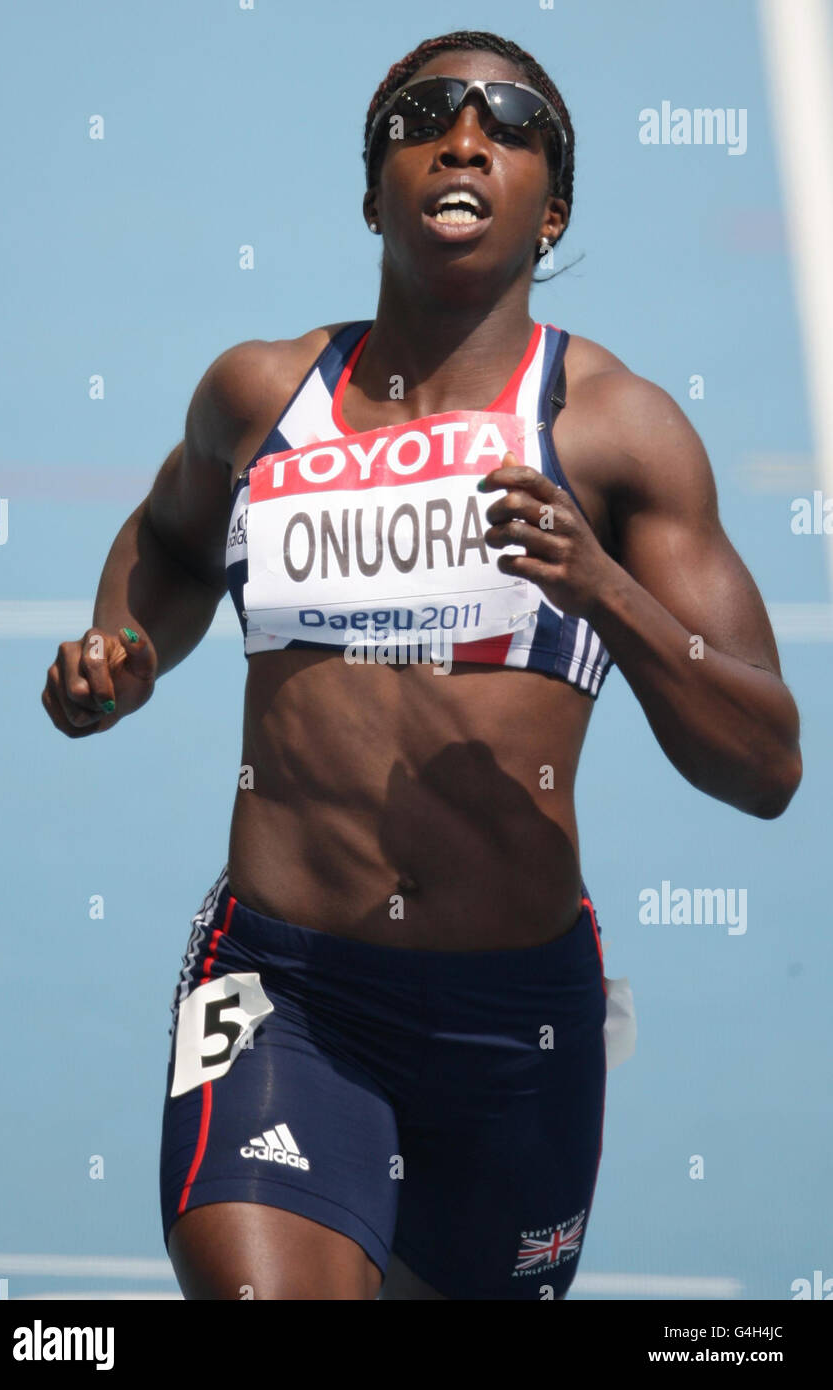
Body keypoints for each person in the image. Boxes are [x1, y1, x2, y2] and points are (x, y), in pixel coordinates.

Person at [41, 30, 802, 1301]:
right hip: (282, 989)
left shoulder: (614, 432)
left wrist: (601, 587)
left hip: (516, 1024)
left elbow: (766, 762)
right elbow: (169, 548)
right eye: (422, 115)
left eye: (509, 122)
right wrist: (122, 657)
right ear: (371, 187)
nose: (463, 136)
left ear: (551, 206)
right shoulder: (259, 398)